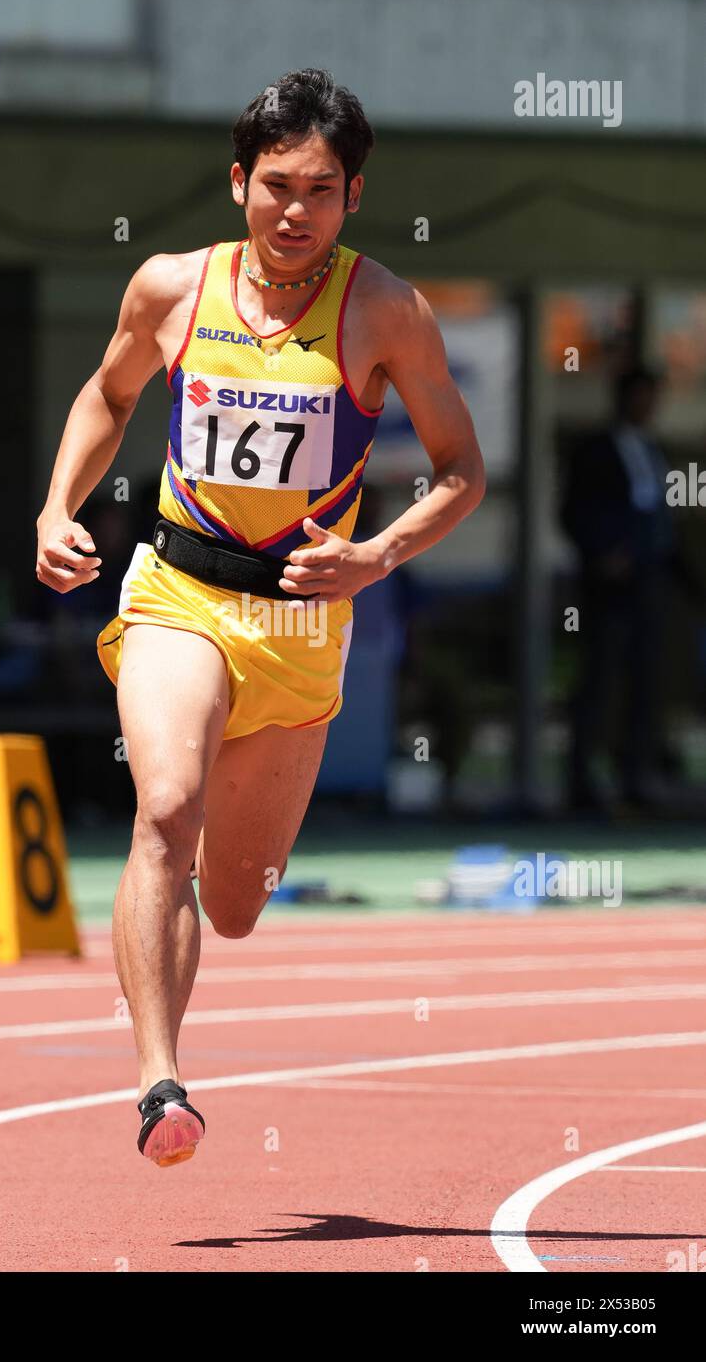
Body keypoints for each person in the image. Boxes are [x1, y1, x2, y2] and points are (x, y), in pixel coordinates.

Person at [35, 68, 484, 1167]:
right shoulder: (172, 288)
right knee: (164, 810)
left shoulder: (384, 310)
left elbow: (460, 470)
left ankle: (196, 954)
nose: (295, 210)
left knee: (234, 903)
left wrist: (375, 555)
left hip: (295, 622)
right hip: (178, 591)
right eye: (276, 185)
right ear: (238, 182)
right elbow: (108, 393)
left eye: (320, 190)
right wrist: (57, 507)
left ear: (352, 197)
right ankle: (159, 1083)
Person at [561, 364, 700, 813]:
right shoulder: (596, 451)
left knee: (647, 679)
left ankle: (636, 775)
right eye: (642, 396)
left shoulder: (655, 450)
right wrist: (604, 554)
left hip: (650, 581)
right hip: (610, 586)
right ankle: (582, 780)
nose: (649, 406)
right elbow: (573, 510)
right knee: (600, 679)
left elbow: (663, 524)